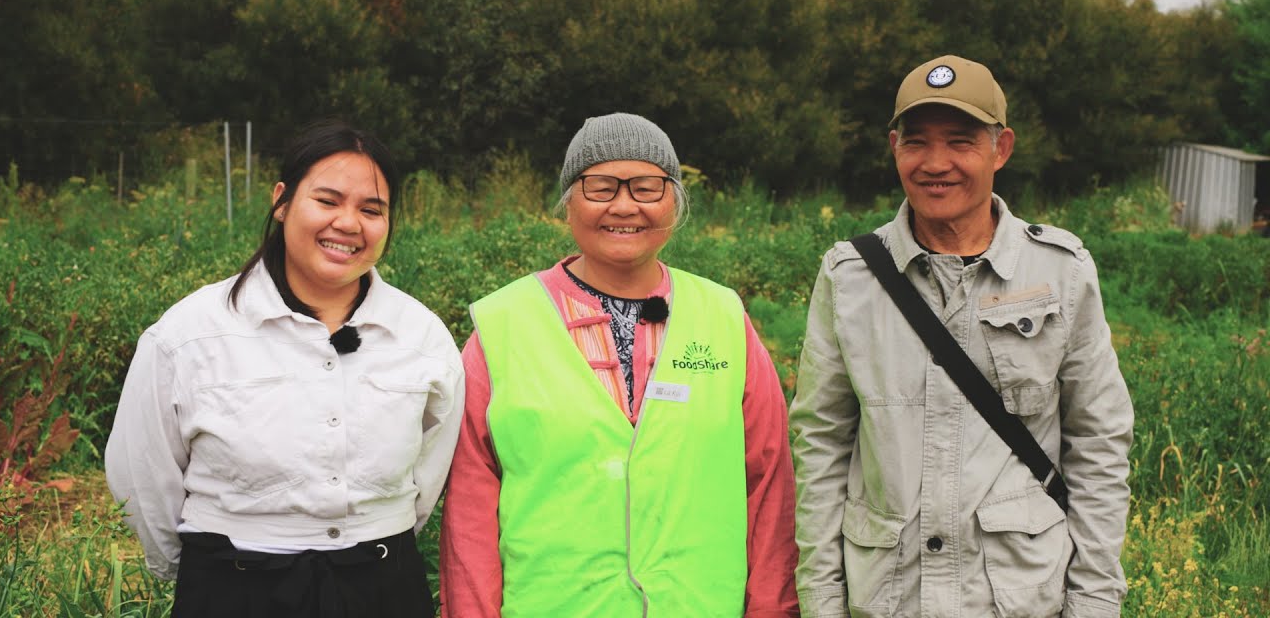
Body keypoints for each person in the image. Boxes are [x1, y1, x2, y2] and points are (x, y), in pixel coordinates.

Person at [790, 56, 1134, 618]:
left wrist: (1094, 602)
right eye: (916, 142)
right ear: (893, 146)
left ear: (1001, 149)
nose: (935, 163)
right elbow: (821, 445)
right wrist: (822, 601)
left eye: (960, 142)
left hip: (1019, 600)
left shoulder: (1060, 271)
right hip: (887, 599)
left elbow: (1099, 443)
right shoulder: (848, 276)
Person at [439, 112, 800, 617]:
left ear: (674, 201)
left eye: (647, 187)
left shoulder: (723, 315)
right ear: (568, 203)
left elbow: (768, 487)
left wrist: (772, 610)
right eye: (601, 186)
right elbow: (469, 509)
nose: (625, 205)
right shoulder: (503, 323)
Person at [106, 120, 465, 618]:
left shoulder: (422, 337)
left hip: (384, 587)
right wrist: (198, 570)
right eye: (327, 200)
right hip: (234, 591)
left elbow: (429, 474)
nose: (348, 223)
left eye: (371, 209)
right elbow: (142, 474)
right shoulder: (190, 333)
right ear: (282, 202)